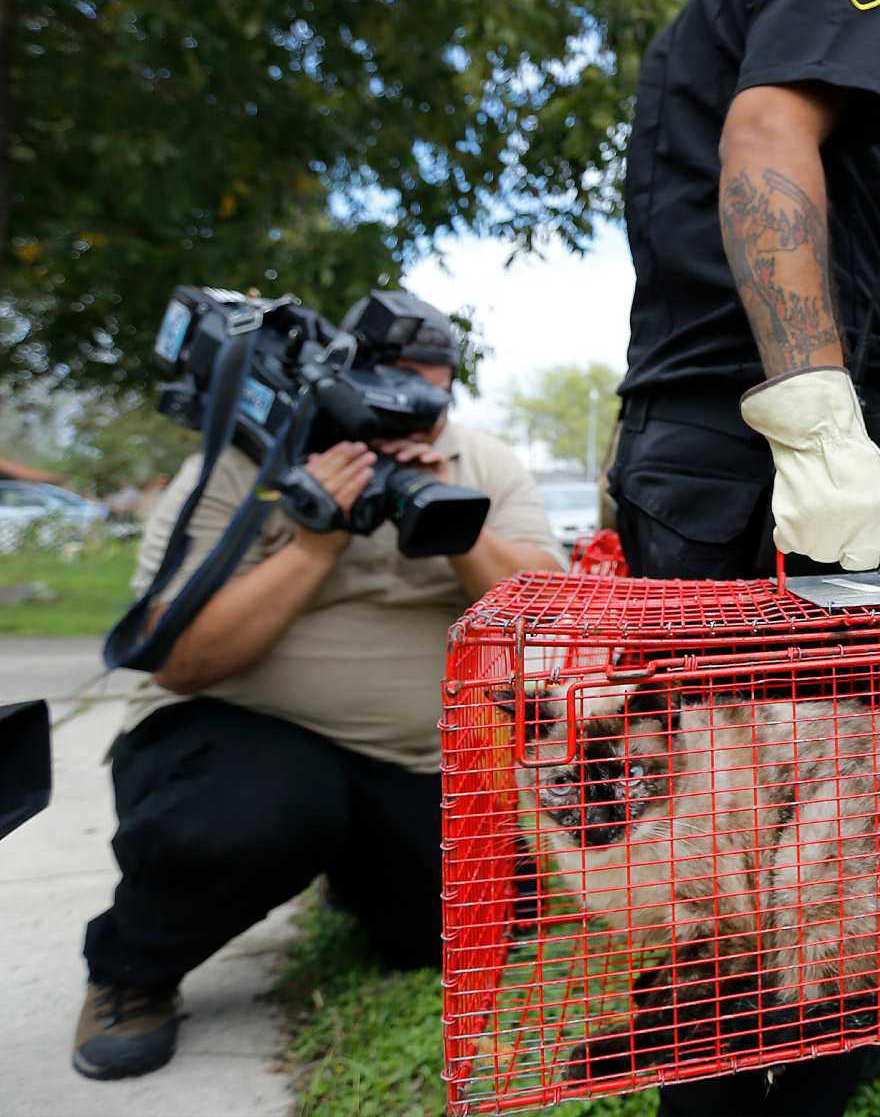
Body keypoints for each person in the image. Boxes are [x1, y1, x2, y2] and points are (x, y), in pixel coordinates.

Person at [608, 0, 880, 1115]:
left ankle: (735, 1076)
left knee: (722, 830)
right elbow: (767, 131)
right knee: (809, 819)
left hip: (685, 449)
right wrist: (815, 420)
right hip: (755, 452)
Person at [73, 292, 563, 1081]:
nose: (410, 414)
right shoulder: (246, 454)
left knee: (481, 921)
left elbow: (547, 619)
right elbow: (180, 659)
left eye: (432, 399)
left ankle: (356, 869)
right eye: (392, 388)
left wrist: (456, 528)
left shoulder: (483, 461)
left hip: (414, 763)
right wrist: (312, 544)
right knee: (260, 815)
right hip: (235, 734)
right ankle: (130, 972)